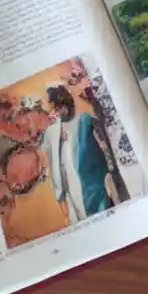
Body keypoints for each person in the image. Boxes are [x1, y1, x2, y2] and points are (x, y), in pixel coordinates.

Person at [47, 84, 112, 217]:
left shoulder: (85, 120)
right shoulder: (55, 132)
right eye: (55, 108)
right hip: (76, 185)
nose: (57, 111)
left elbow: (105, 143)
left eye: (59, 106)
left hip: (96, 180)